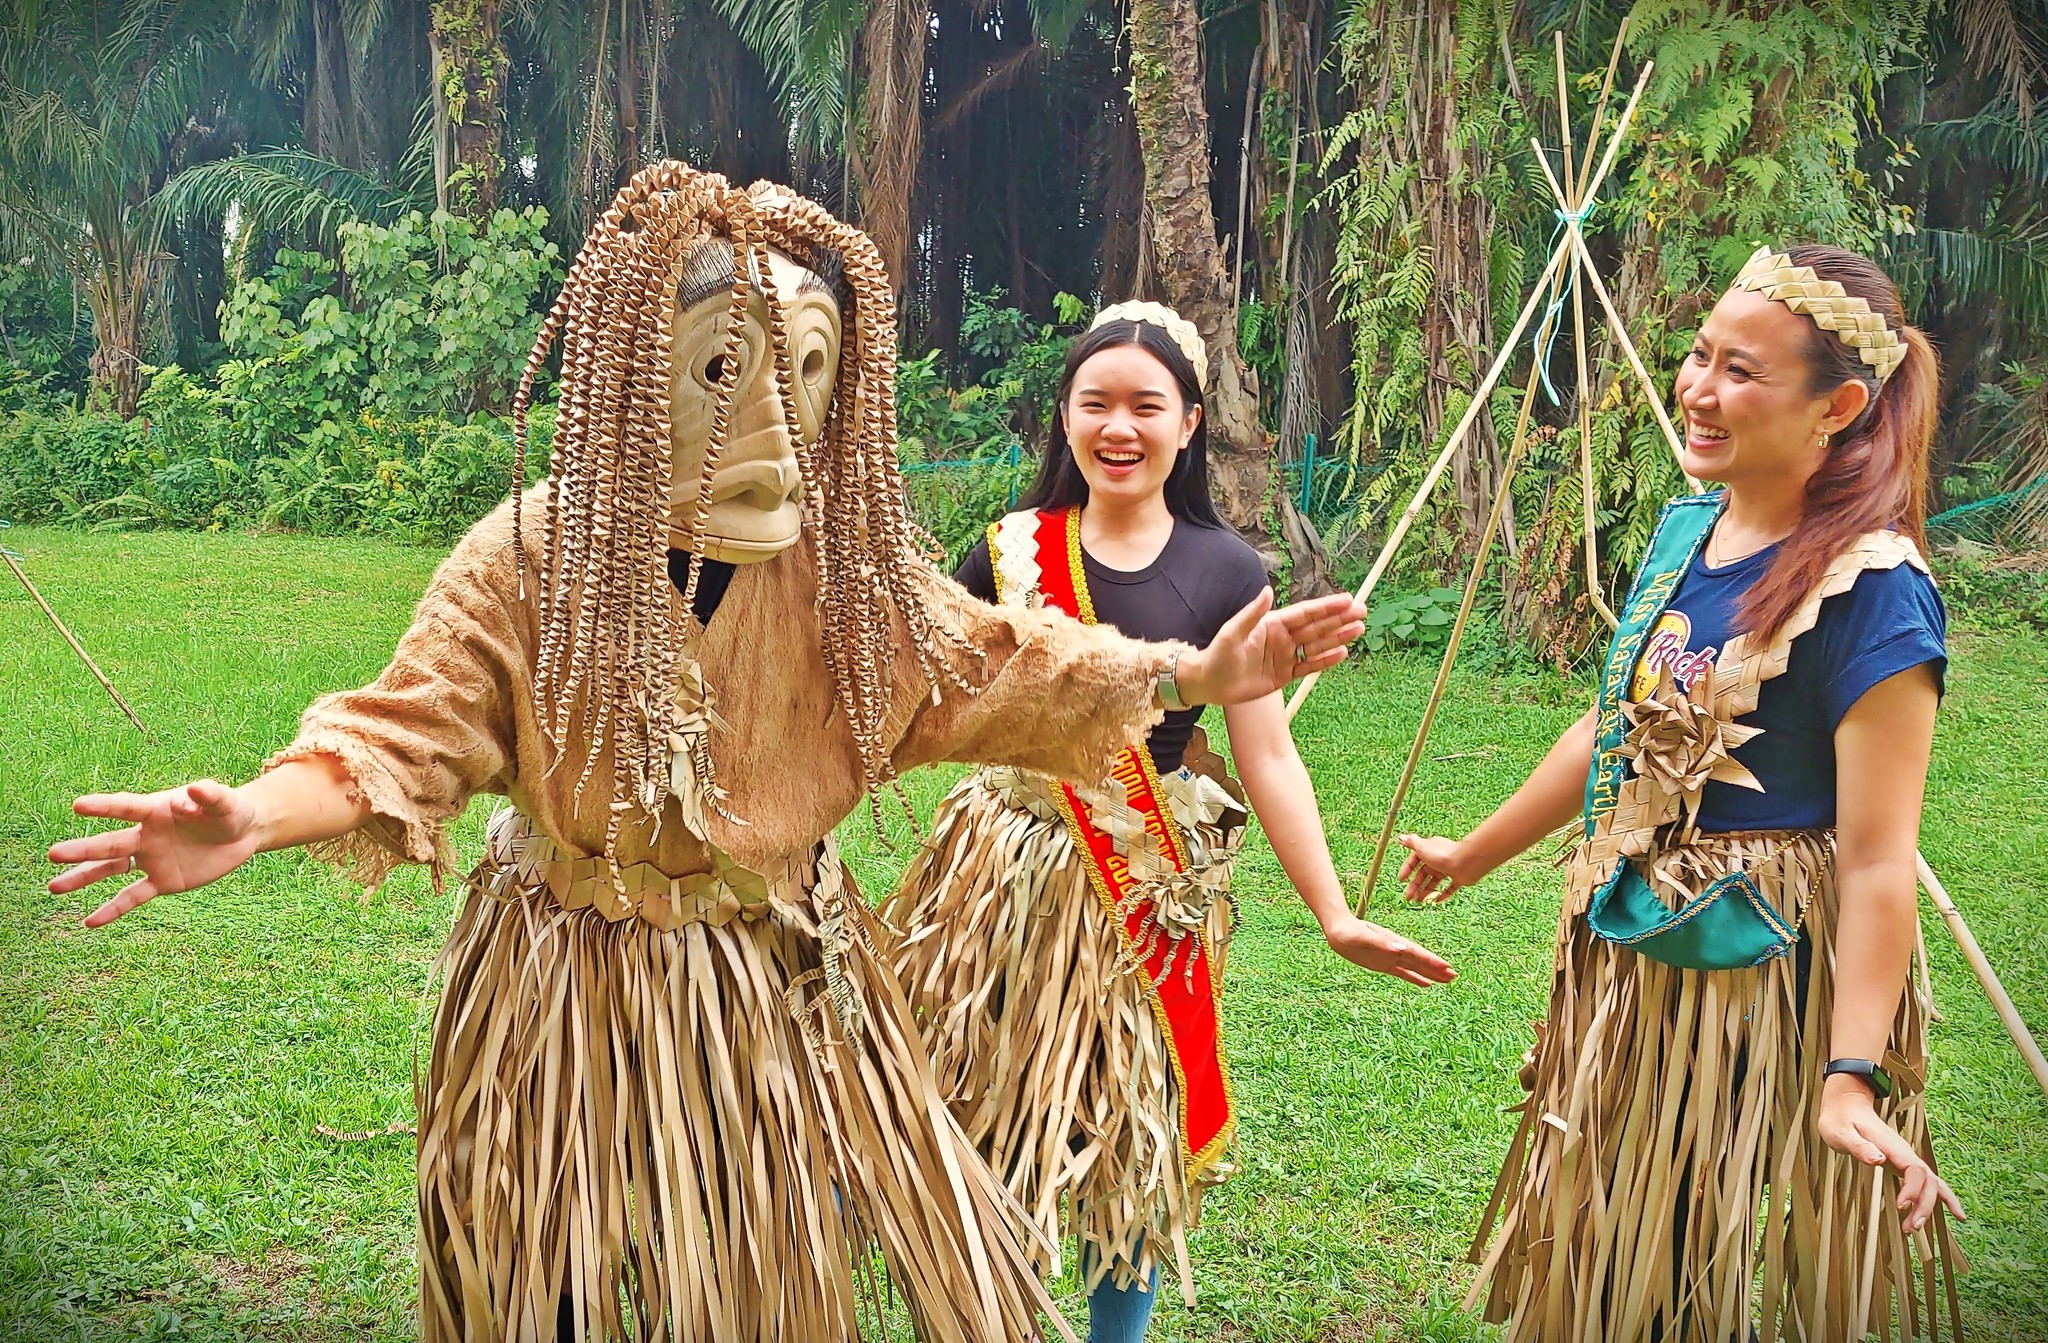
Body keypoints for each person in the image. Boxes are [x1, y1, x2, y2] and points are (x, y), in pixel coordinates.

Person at [44, 168, 1368, 1343]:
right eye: (723, 369)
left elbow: (1005, 664)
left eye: (802, 372)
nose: (771, 416)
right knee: (547, 1287)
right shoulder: (532, 555)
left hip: (763, 988)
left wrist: (1193, 673)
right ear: (634, 370)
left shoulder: (846, 584)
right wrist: (260, 814)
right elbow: (401, 732)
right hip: (560, 982)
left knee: (758, 1285)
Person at [1398, 245, 1966, 1341]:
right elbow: (1610, 726)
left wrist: (1851, 1071)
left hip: (1750, 980)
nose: (1697, 390)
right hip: (1632, 948)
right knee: (1613, 1242)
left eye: (1740, 371)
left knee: (1691, 1245)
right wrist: (1475, 850)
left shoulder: (1875, 593)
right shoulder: (1682, 533)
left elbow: (1876, 856)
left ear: (1835, 407)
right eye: (1698, 355)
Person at [882, 301, 1455, 1342]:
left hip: (1143, 895)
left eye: (1146, 405)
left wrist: (1331, 912)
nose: (1117, 426)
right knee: (979, 1125)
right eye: (1093, 401)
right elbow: (924, 697)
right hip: (999, 883)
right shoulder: (1006, 551)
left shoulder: (1226, 571)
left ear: (1188, 423)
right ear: (1063, 416)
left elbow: (1267, 750)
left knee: (1126, 1139)